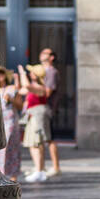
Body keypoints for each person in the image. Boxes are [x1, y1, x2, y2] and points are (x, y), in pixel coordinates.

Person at [18, 63, 50, 184]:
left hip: (37, 118)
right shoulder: (34, 87)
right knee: (36, 144)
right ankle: (39, 170)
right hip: (33, 118)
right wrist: (19, 77)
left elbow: (26, 86)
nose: (30, 74)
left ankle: (39, 171)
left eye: (32, 72)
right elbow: (22, 89)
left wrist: (22, 74)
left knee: (35, 144)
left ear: (36, 75)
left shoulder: (41, 88)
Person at [0, 67, 23, 183]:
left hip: (10, 122)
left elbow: (20, 105)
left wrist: (11, 100)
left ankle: (13, 174)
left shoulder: (12, 88)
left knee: (10, 147)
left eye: (1, 74)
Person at [39, 48, 61, 177]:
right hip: (41, 108)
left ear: (52, 57)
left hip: (48, 108)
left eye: (45, 53)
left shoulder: (52, 72)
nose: (42, 55)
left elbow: (47, 92)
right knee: (41, 138)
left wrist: (35, 90)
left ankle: (56, 167)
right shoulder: (42, 71)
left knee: (50, 138)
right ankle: (40, 167)